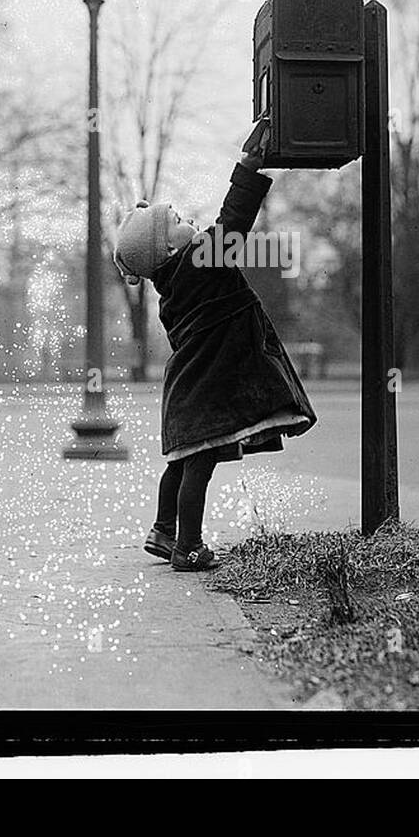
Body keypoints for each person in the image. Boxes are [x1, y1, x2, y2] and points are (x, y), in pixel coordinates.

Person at [112, 128, 316, 571]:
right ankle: (188, 547)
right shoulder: (203, 261)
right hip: (202, 387)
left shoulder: (170, 288)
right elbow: (234, 219)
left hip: (187, 387)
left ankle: (164, 531)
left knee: (183, 462)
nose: (191, 224)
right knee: (197, 465)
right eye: (179, 222)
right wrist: (248, 166)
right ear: (169, 247)